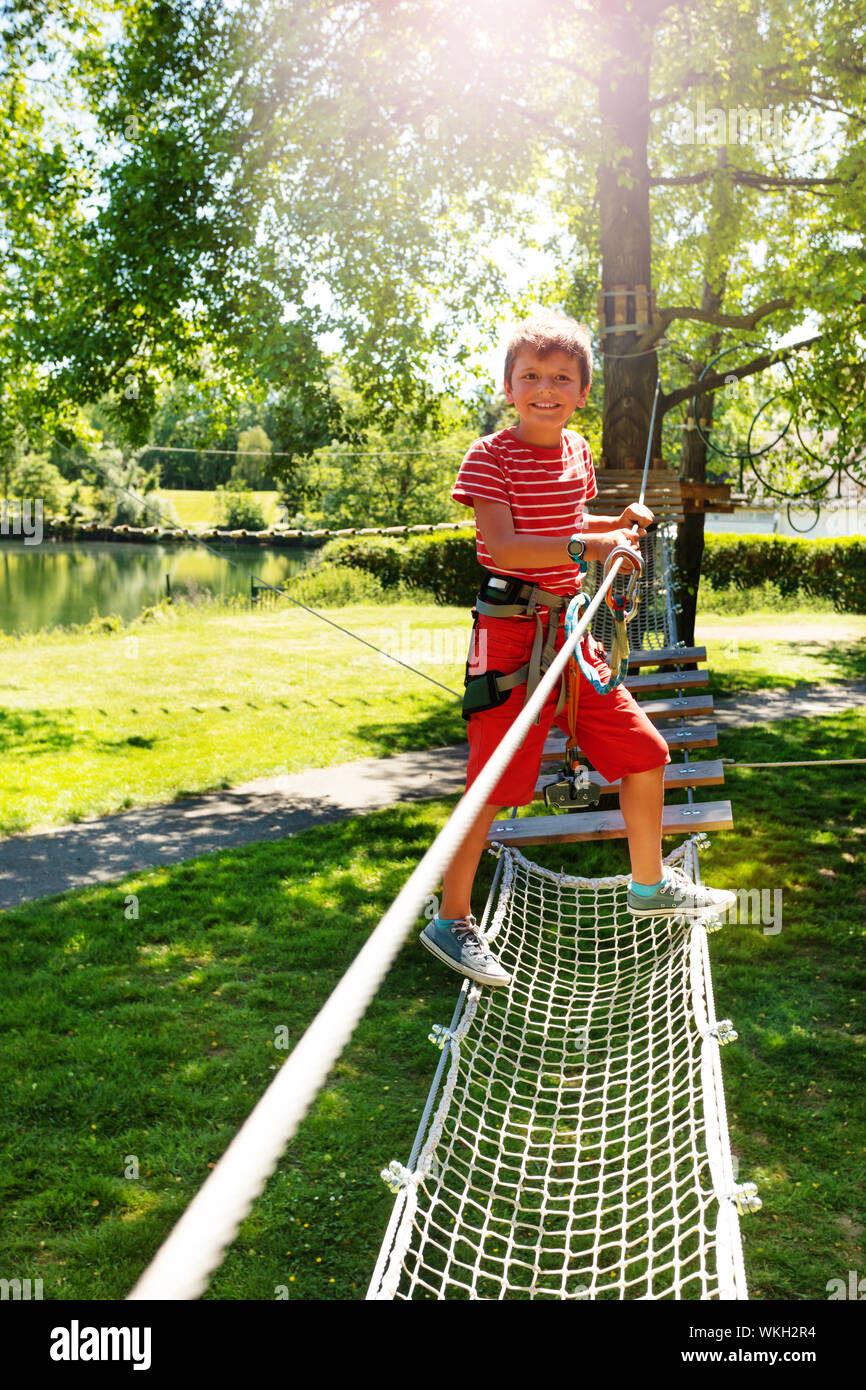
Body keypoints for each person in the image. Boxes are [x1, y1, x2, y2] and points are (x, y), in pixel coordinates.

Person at [419, 310, 736, 988]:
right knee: (492, 786)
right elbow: (504, 544)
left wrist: (613, 526)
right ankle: (452, 920)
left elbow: (568, 525)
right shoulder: (490, 456)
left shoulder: (577, 452)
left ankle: (649, 886)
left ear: (583, 391)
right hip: (508, 637)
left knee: (645, 753)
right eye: (530, 376)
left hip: (570, 632)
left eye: (562, 377)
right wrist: (587, 546)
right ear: (509, 386)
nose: (546, 388)